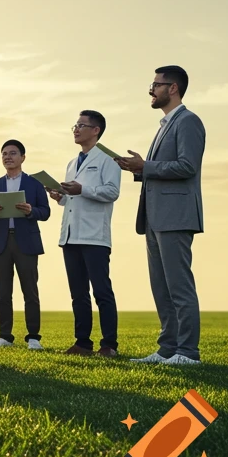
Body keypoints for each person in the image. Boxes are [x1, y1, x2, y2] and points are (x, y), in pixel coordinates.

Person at [117, 66, 206, 366]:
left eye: (156, 85)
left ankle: (188, 353)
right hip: (155, 217)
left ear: (173, 88)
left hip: (176, 216)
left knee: (179, 286)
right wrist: (137, 169)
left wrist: (146, 167)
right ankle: (168, 349)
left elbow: (187, 167)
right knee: (161, 286)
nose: (151, 90)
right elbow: (164, 169)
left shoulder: (188, 121)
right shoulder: (165, 124)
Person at [48, 111, 121, 357]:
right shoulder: (72, 162)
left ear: (96, 130)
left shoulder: (108, 159)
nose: (76, 130)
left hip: (94, 236)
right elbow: (73, 198)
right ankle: (82, 343)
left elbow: (112, 192)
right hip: (70, 235)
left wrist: (83, 189)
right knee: (78, 293)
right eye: (75, 126)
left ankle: (109, 345)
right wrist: (60, 196)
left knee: (101, 291)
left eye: (81, 125)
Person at [0, 139, 50, 350]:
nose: (8, 157)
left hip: (26, 242)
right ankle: (4, 336)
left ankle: (33, 337)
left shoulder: (34, 184)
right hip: (1, 242)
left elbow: (45, 212)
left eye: (12, 153)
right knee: (3, 292)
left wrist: (30, 211)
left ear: (22, 158)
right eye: (4, 154)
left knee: (30, 290)